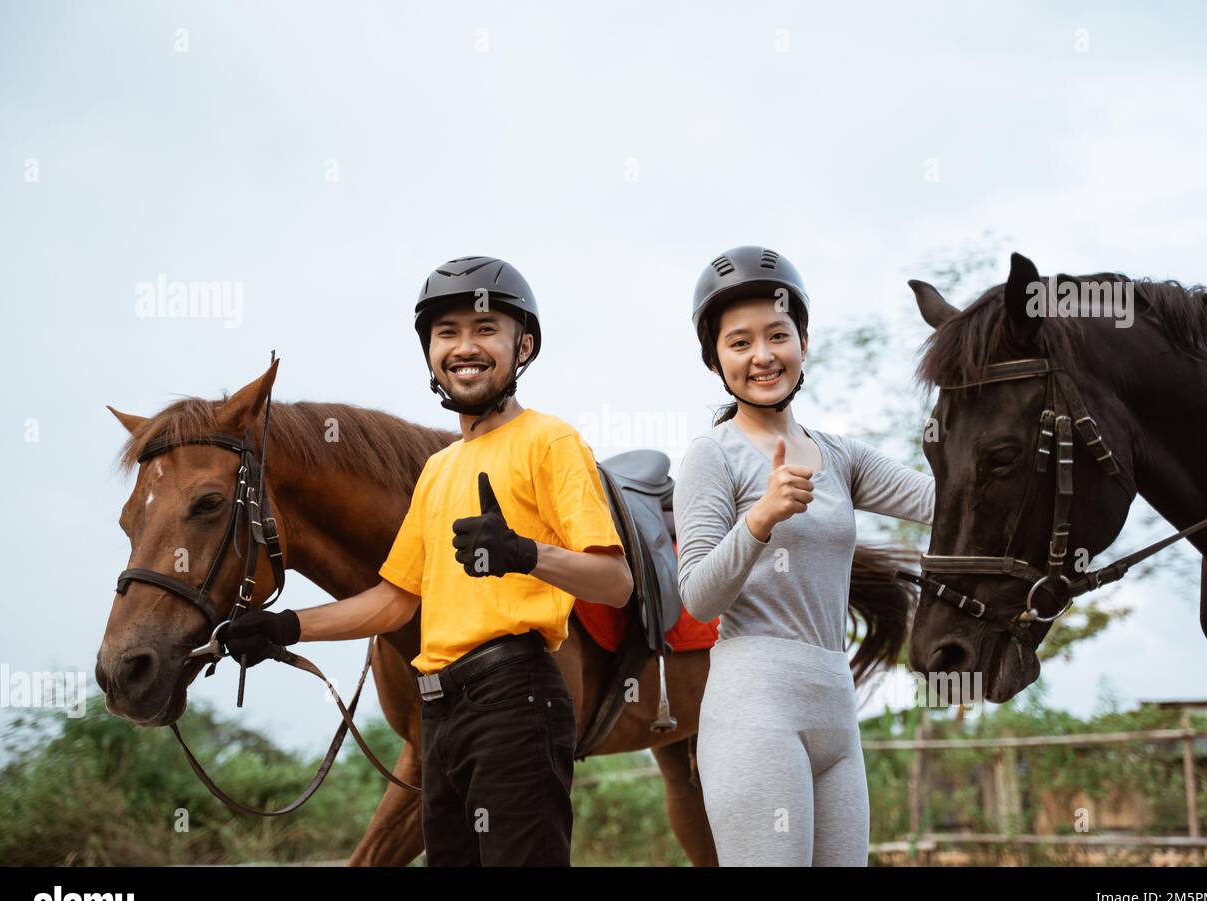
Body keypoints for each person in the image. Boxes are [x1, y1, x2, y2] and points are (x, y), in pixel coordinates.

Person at [219, 255, 632, 866]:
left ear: (525, 346)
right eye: (447, 333)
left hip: (516, 699)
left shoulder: (552, 441)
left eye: (486, 329)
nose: (465, 346)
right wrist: (285, 627)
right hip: (439, 713)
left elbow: (616, 583)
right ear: (431, 353)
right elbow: (395, 600)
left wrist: (523, 554)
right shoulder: (436, 472)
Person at [674, 245, 934, 866]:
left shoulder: (841, 456)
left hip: (833, 702)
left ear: (804, 342)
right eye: (739, 343)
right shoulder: (712, 456)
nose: (762, 356)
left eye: (777, 335)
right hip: (753, 704)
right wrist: (760, 519)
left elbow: (946, 503)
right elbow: (698, 596)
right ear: (716, 361)